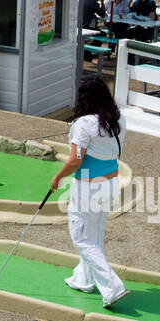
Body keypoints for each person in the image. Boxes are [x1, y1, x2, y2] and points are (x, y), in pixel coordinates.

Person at [49, 76, 129, 308]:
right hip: (110, 183)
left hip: (88, 186)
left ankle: (113, 287)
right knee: (94, 234)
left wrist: (57, 177)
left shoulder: (84, 124)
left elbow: (75, 160)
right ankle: (83, 278)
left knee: (82, 237)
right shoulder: (119, 119)